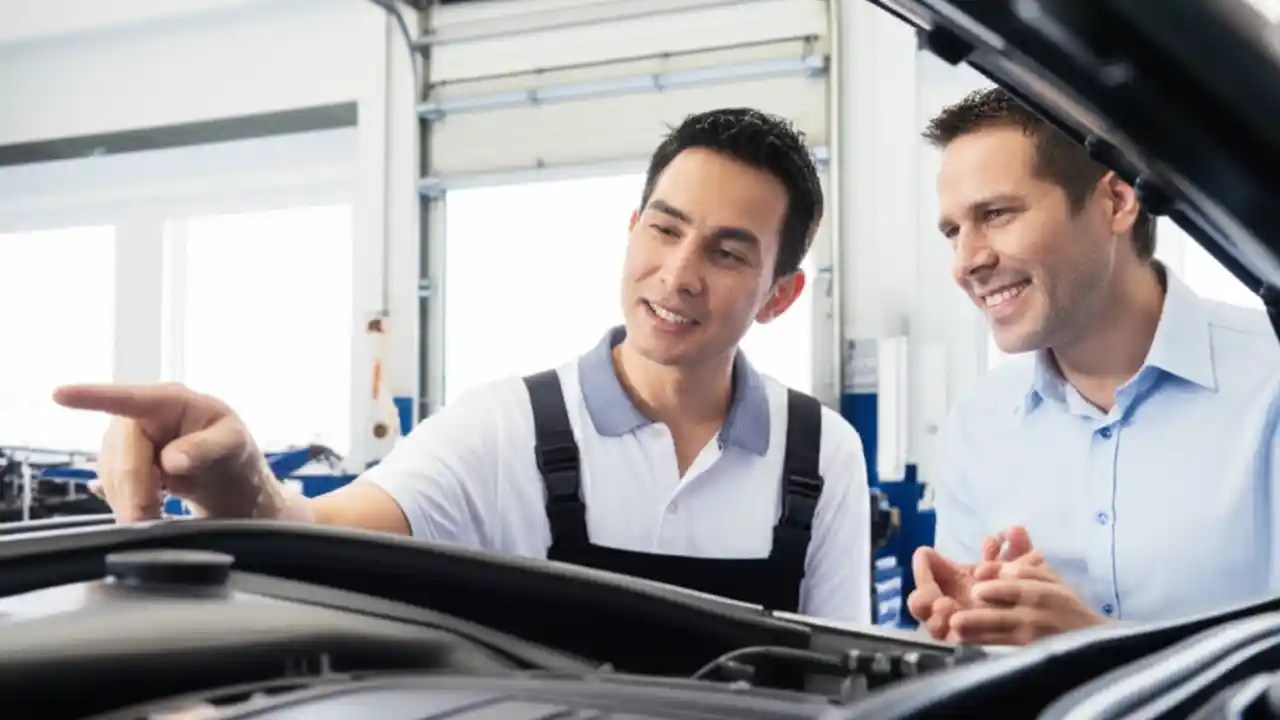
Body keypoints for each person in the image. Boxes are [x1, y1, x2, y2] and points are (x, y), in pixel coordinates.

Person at [55, 108, 873, 624]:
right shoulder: (503, 428)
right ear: (632, 230)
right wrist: (241, 480)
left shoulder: (822, 455)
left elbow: (851, 680)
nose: (680, 272)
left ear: (780, 295)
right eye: (665, 230)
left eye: (727, 252)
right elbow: (317, 533)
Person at [906, 87, 1280, 646]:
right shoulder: (979, 425)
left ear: (1117, 202)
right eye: (954, 231)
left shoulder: (1269, 383)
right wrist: (978, 624)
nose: (968, 261)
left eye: (997, 214)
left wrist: (1092, 644)